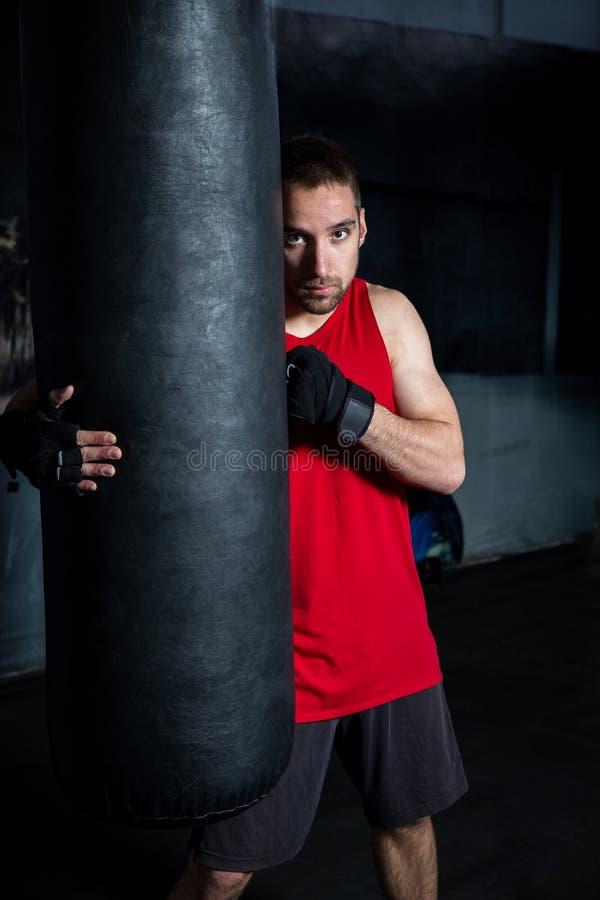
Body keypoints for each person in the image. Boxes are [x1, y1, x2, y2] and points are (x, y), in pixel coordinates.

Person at [0, 136, 467, 900]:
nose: (320, 265)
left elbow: (447, 464)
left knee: (408, 822)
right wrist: (20, 435)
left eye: (338, 234)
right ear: (261, 233)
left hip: (392, 641)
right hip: (271, 666)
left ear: (362, 226)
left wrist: (352, 412)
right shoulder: (211, 320)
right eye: (294, 237)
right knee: (222, 869)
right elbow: (37, 400)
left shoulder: (388, 317)